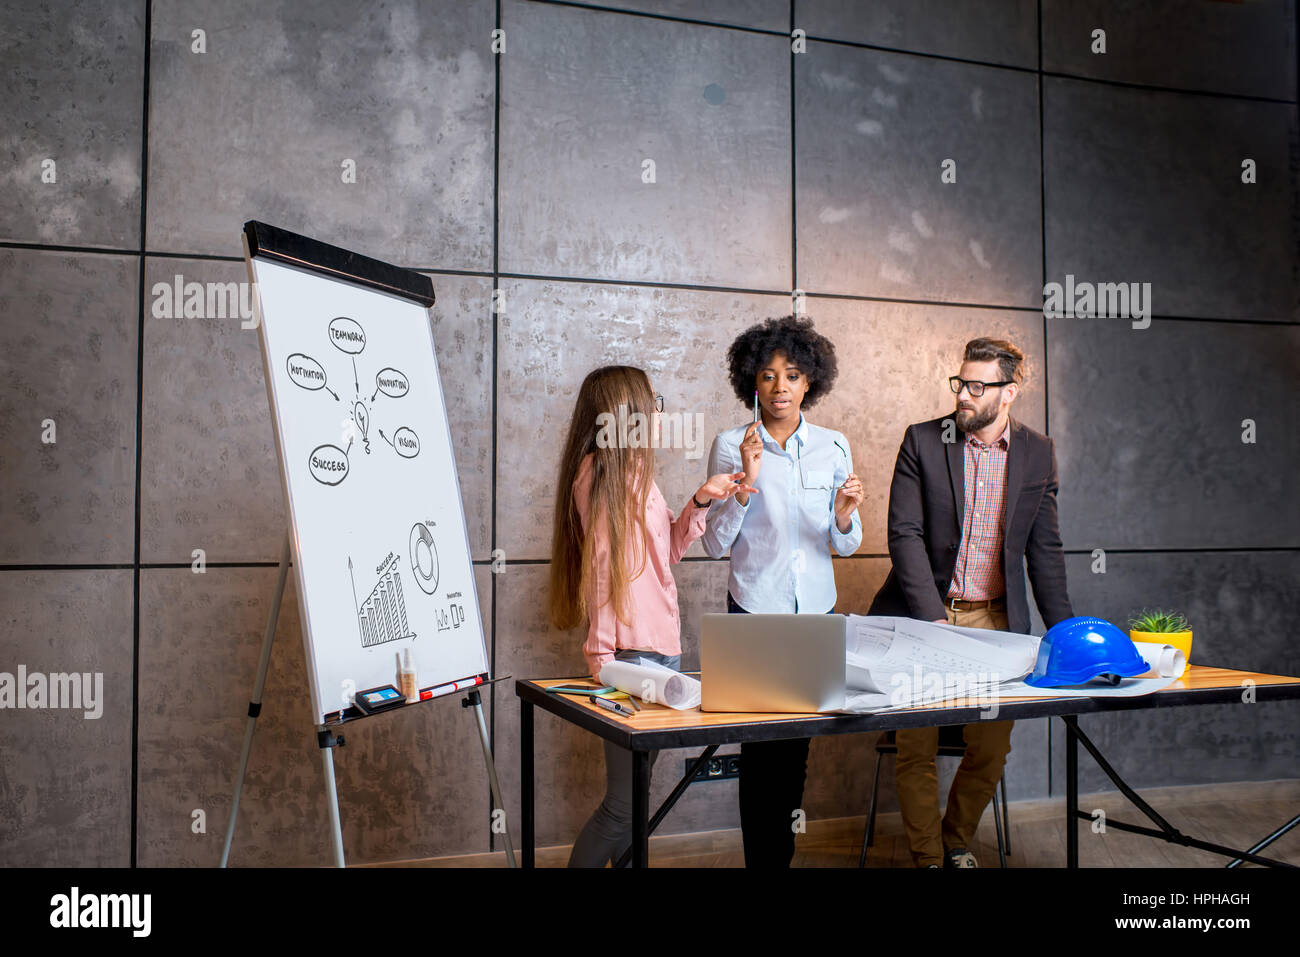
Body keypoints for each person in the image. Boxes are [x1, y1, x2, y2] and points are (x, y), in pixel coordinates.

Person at [868, 337, 1074, 868]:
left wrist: (1066, 634)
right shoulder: (922, 439)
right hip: (923, 616)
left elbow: (1044, 551)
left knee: (990, 748)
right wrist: (933, 621)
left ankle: (956, 838)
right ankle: (929, 857)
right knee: (917, 747)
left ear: (1010, 392)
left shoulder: (1038, 452)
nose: (964, 394)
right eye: (961, 383)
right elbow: (905, 535)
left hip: (997, 623)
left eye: (977, 386)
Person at [548, 365, 754, 867]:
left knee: (634, 802)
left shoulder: (636, 474)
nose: (660, 412)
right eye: (653, 402)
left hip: (662, 650)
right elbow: (601, 569)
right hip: (629, 657)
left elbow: (669, 552)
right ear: (627, 413)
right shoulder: (598, 474)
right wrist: (602, 651)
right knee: (623, 808)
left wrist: (703, 498)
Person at [701, 315, 864, 867]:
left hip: (816, 611)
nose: (779, 387)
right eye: (768, 376)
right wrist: (743, 486)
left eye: (792, 376)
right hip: (754, 609)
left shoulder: (834, 446)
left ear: (809, 382)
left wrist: (843, 517)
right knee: (761, 746)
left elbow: (845, 545)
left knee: (797, 749)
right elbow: (713, 544)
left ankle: (780, 861)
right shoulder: (730, 445)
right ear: (751, 380)